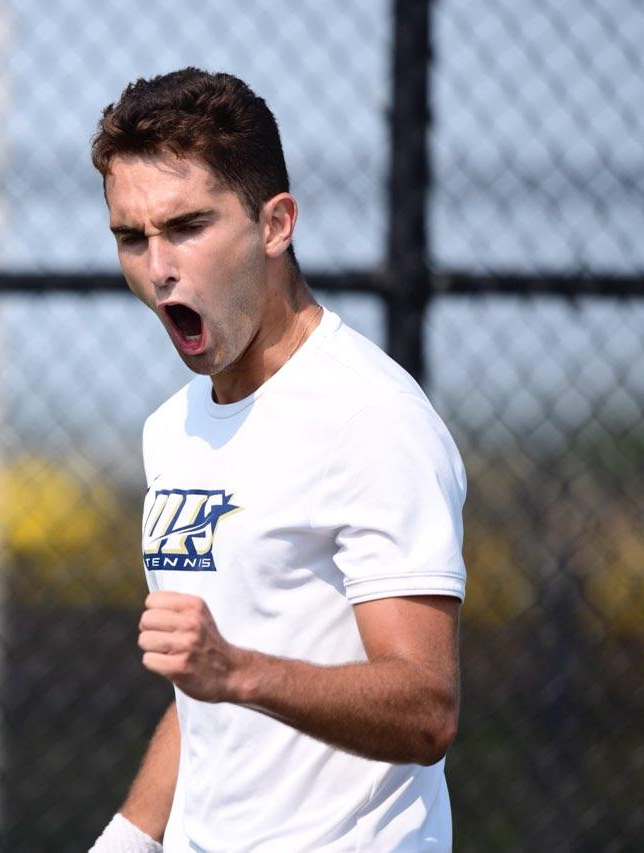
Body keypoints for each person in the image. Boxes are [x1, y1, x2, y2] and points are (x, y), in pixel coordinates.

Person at [87, 69, 467, 852]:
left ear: (275, 223)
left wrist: (238, 670)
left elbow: (428, 709)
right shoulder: (173, 431)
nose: (158, 267)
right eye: (132, 237)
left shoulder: (371, 418)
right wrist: (129, 838)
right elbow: (208, 702)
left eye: (187, 226)